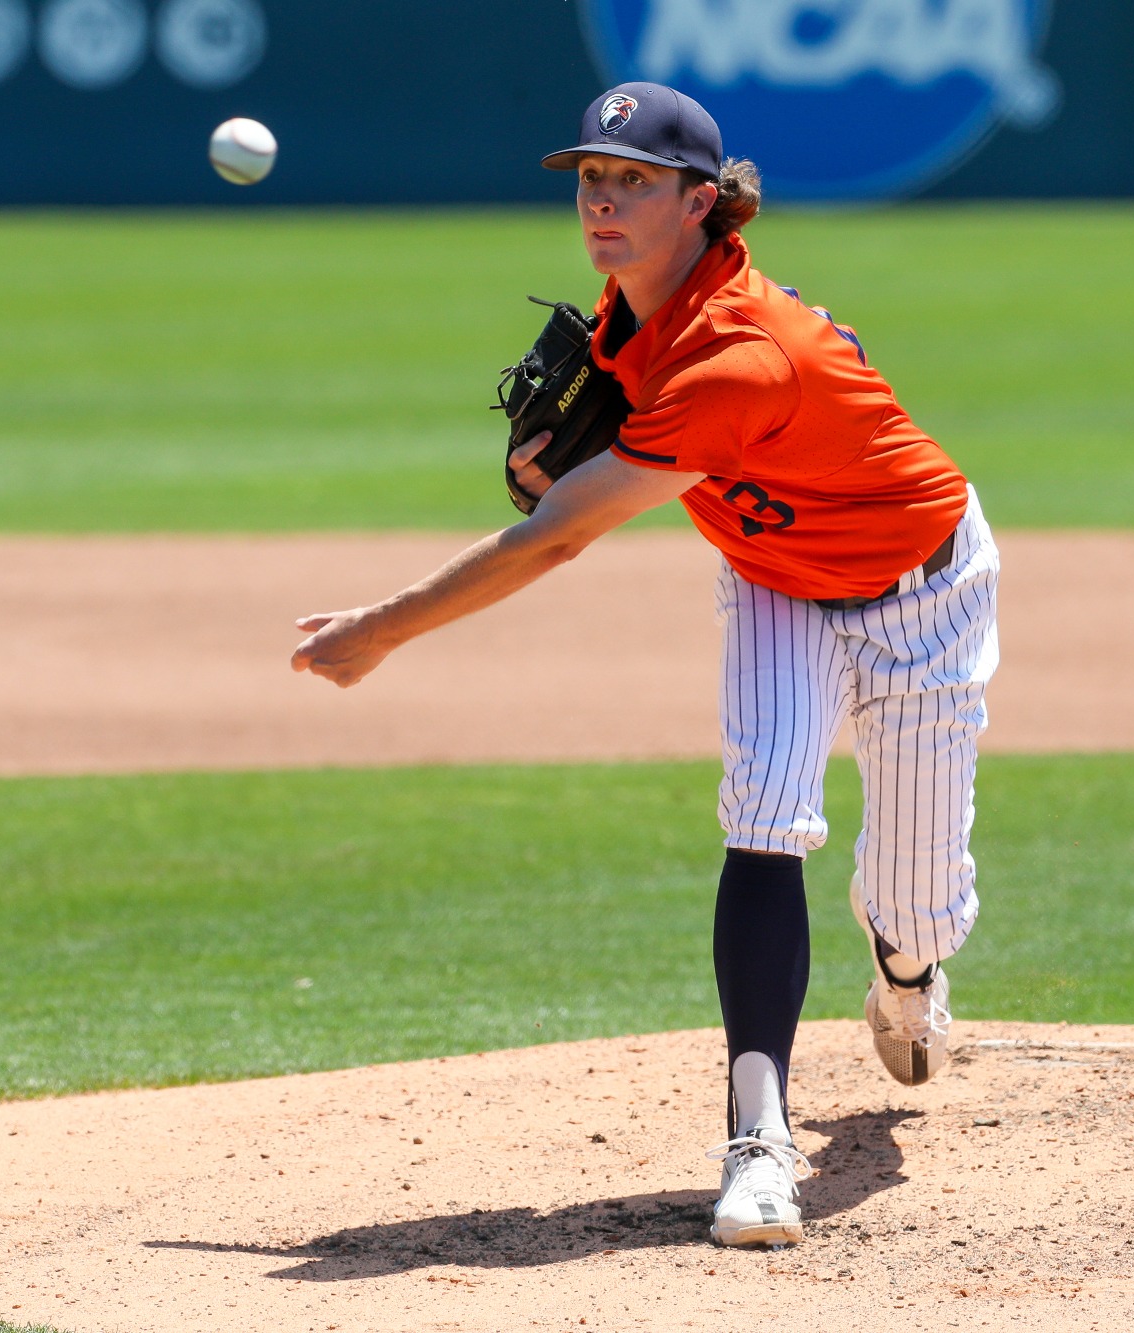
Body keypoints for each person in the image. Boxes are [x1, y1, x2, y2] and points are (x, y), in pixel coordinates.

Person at [290, 82, 999, 1249]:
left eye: (631, 181)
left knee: (912, 899)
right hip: (777, 584)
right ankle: (758, 1144)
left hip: (922, 594)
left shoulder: (737, 355)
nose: (601, 201)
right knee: (763, 812)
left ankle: (907, 970)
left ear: (702, 203)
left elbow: (558, 533)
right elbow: (579, 469)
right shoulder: (628, 321)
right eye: (589, 178)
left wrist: (383, 626)